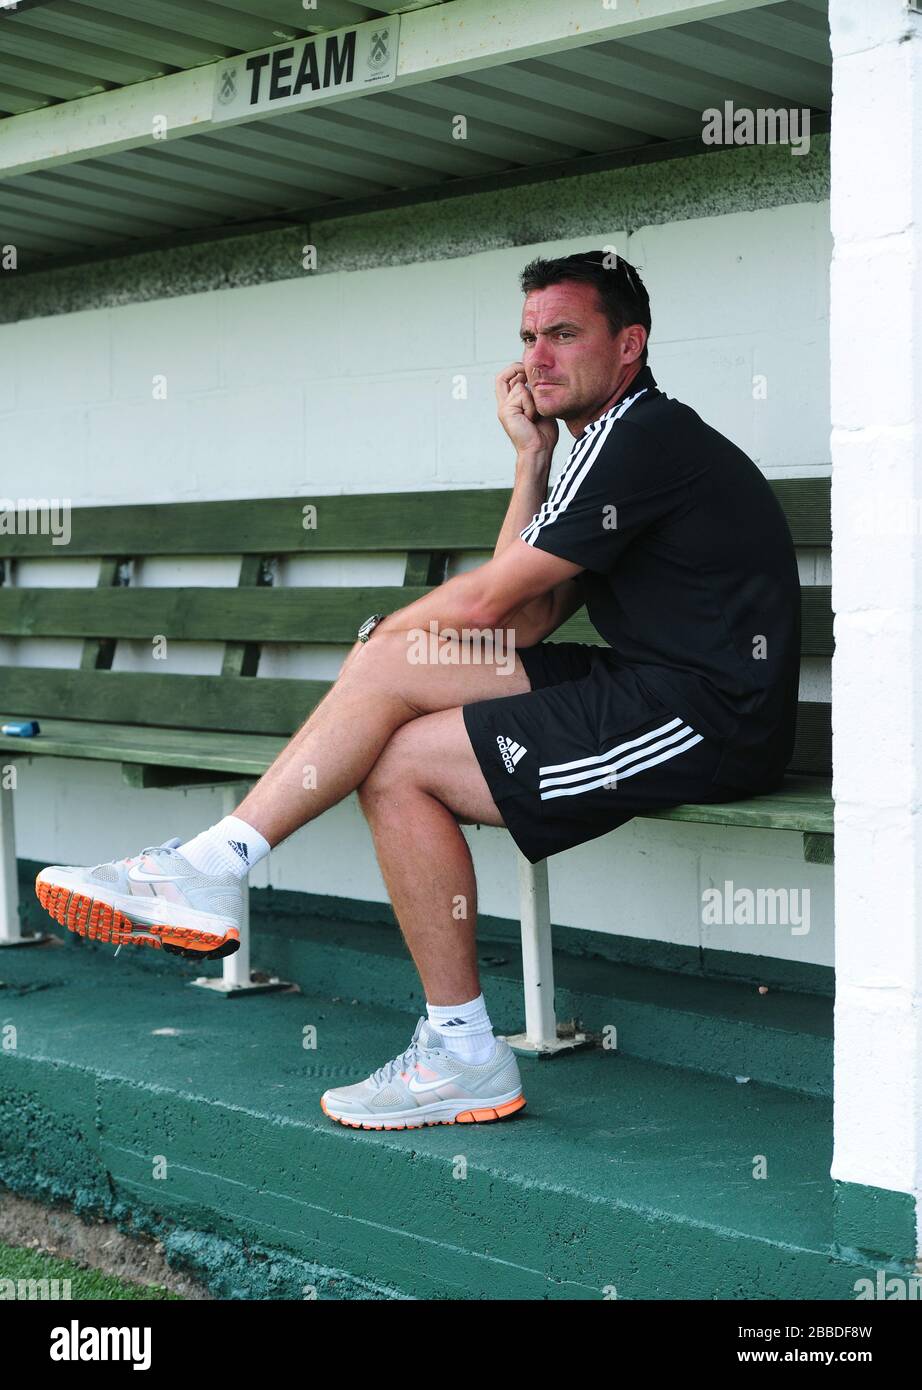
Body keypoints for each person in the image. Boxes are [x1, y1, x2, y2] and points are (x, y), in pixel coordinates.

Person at [34, 250, 801, 1132]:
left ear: (629, 345)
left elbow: (487, 605)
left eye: (562, 334)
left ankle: (214, 874)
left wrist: (387, 635)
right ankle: (436, 1030)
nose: (536, 358)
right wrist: (531, 461)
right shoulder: (598, 445)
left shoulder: (646, 438)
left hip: (706, 719)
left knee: (397, 670)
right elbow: (525, 619)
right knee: (394, 748)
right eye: (527, 337)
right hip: (642, 684)